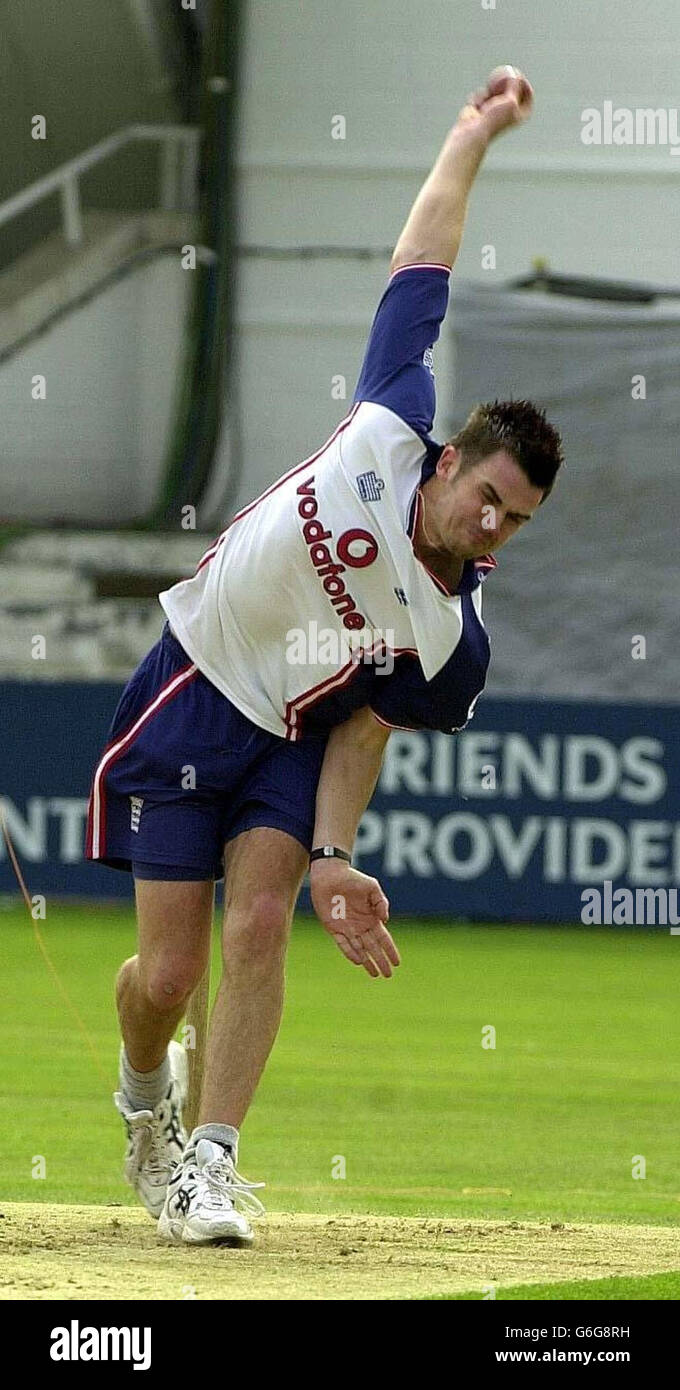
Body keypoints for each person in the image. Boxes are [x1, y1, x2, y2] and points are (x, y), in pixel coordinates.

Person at [85, 65, 563, 1245]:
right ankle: (144, 1097)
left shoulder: (451, 640)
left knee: (258, 924)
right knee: (164, 979)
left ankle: (210, 1161)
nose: (493, 526)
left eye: (517, 521)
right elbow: (423, 260)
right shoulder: (389, 422)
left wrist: (336, 857)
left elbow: (364, 726)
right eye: (489, 498)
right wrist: (470, 134)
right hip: (194, 678)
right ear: (451, 460)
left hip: (289, 738)